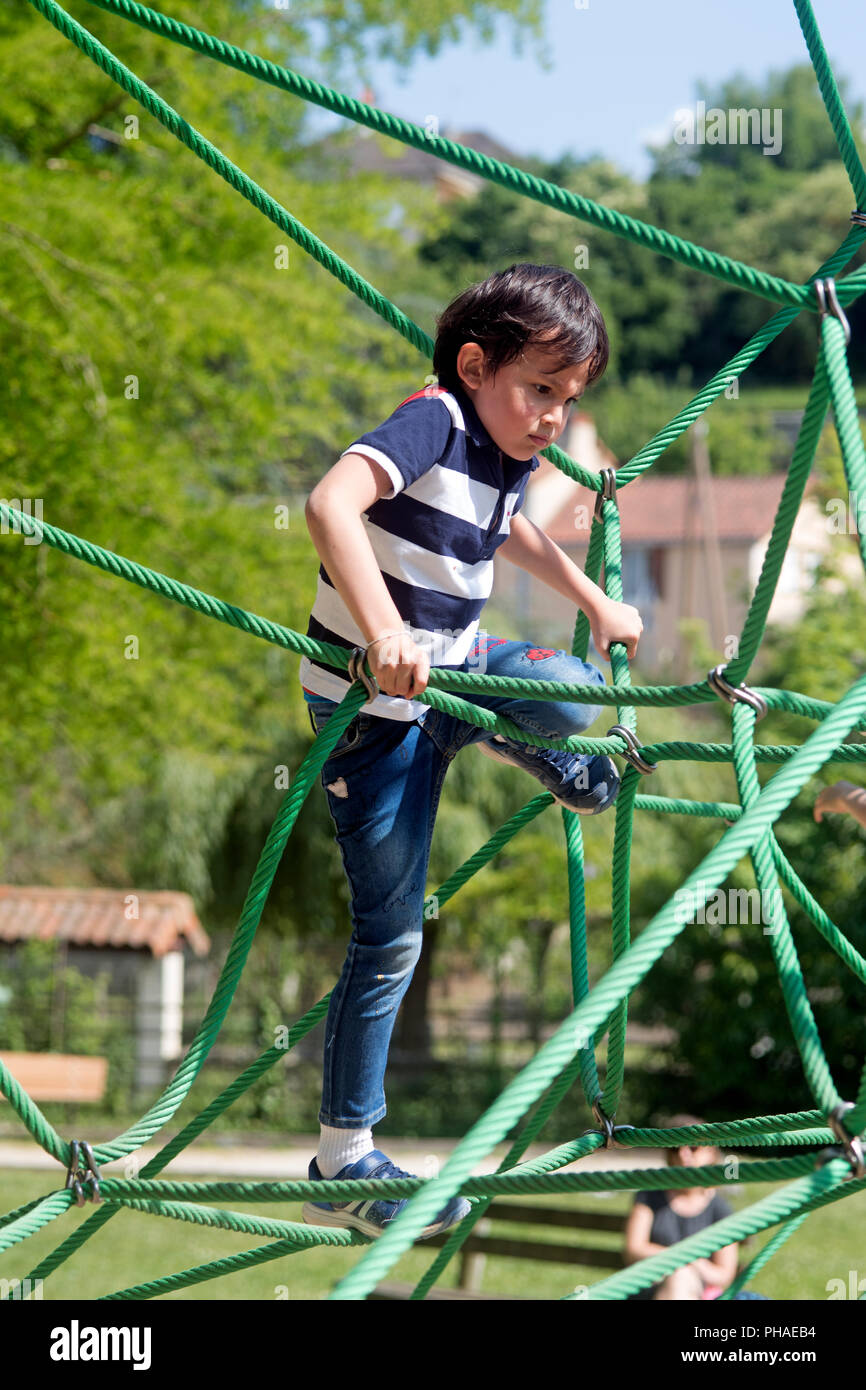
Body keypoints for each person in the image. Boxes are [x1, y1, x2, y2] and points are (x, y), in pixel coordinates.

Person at [298, 263, 643, 1239]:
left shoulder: (507, 453)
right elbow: (330, 502)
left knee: (574, 696)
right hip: (372, 720)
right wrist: (379, 631)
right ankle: (342, 1156)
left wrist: (591, 599)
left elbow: (511, 532)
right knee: (390, 934)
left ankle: (515, 739)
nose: (548, 419)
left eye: (565, 401)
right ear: (473, 364)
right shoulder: (437, 420)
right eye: (538, 391)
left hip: (456, 671)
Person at [623, 1115, 739, 1299]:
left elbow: (724, 1274)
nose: (683, 1154)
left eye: (693, 1147)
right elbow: (634, 1250)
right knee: (680, 1276)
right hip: (649, 1285)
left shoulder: (719, 1208)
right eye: (676, 1147)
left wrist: (685, 1264)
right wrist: (684, 1259)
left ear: (710, 1153)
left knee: (681, 1278)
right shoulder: (649, 1196)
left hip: (695, 1289)